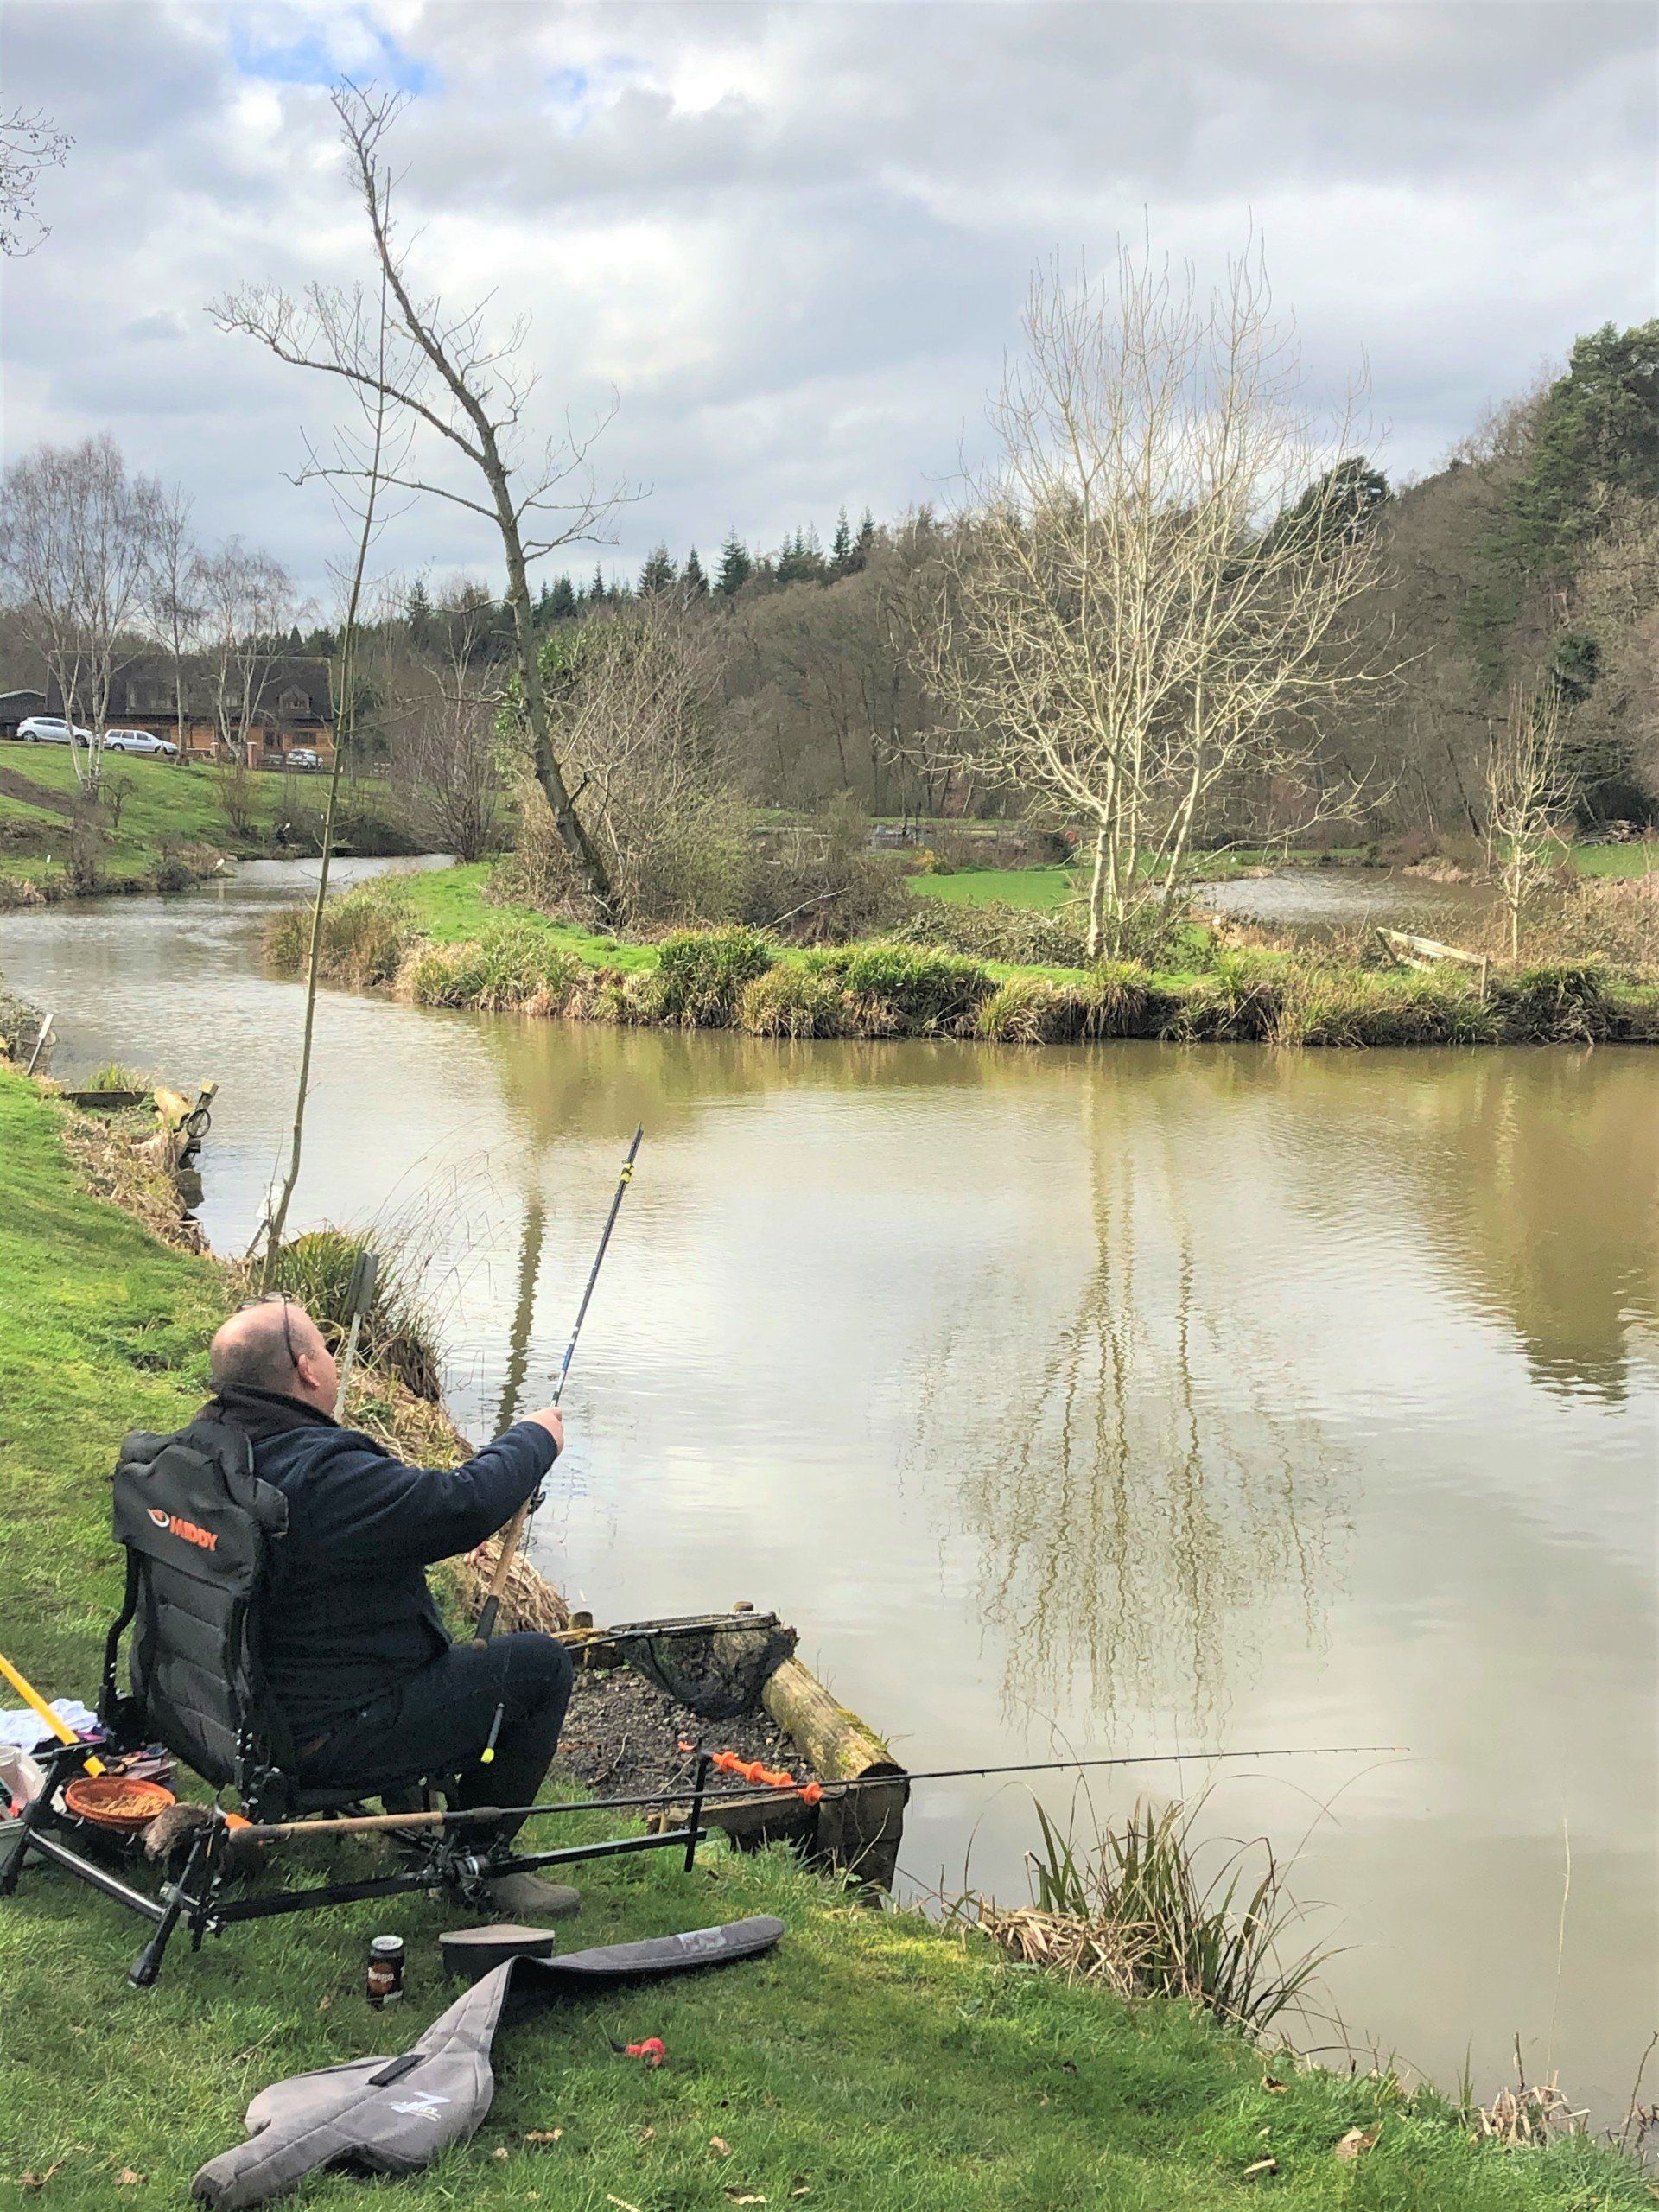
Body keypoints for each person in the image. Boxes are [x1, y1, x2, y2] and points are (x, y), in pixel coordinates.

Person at [203, 1293, 576, 1915]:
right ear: (307, 1370)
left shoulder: (204, 1451)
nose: (332, 1357)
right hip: (318, 1739)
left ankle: (413, 1815)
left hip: (223, 1715)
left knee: (400, 1648)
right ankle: (478, 1857)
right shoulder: (319, 1478)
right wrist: (534, 1441)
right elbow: (460, 1506)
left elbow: (418, 1515)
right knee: (540, 1666)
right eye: (326, 1347)